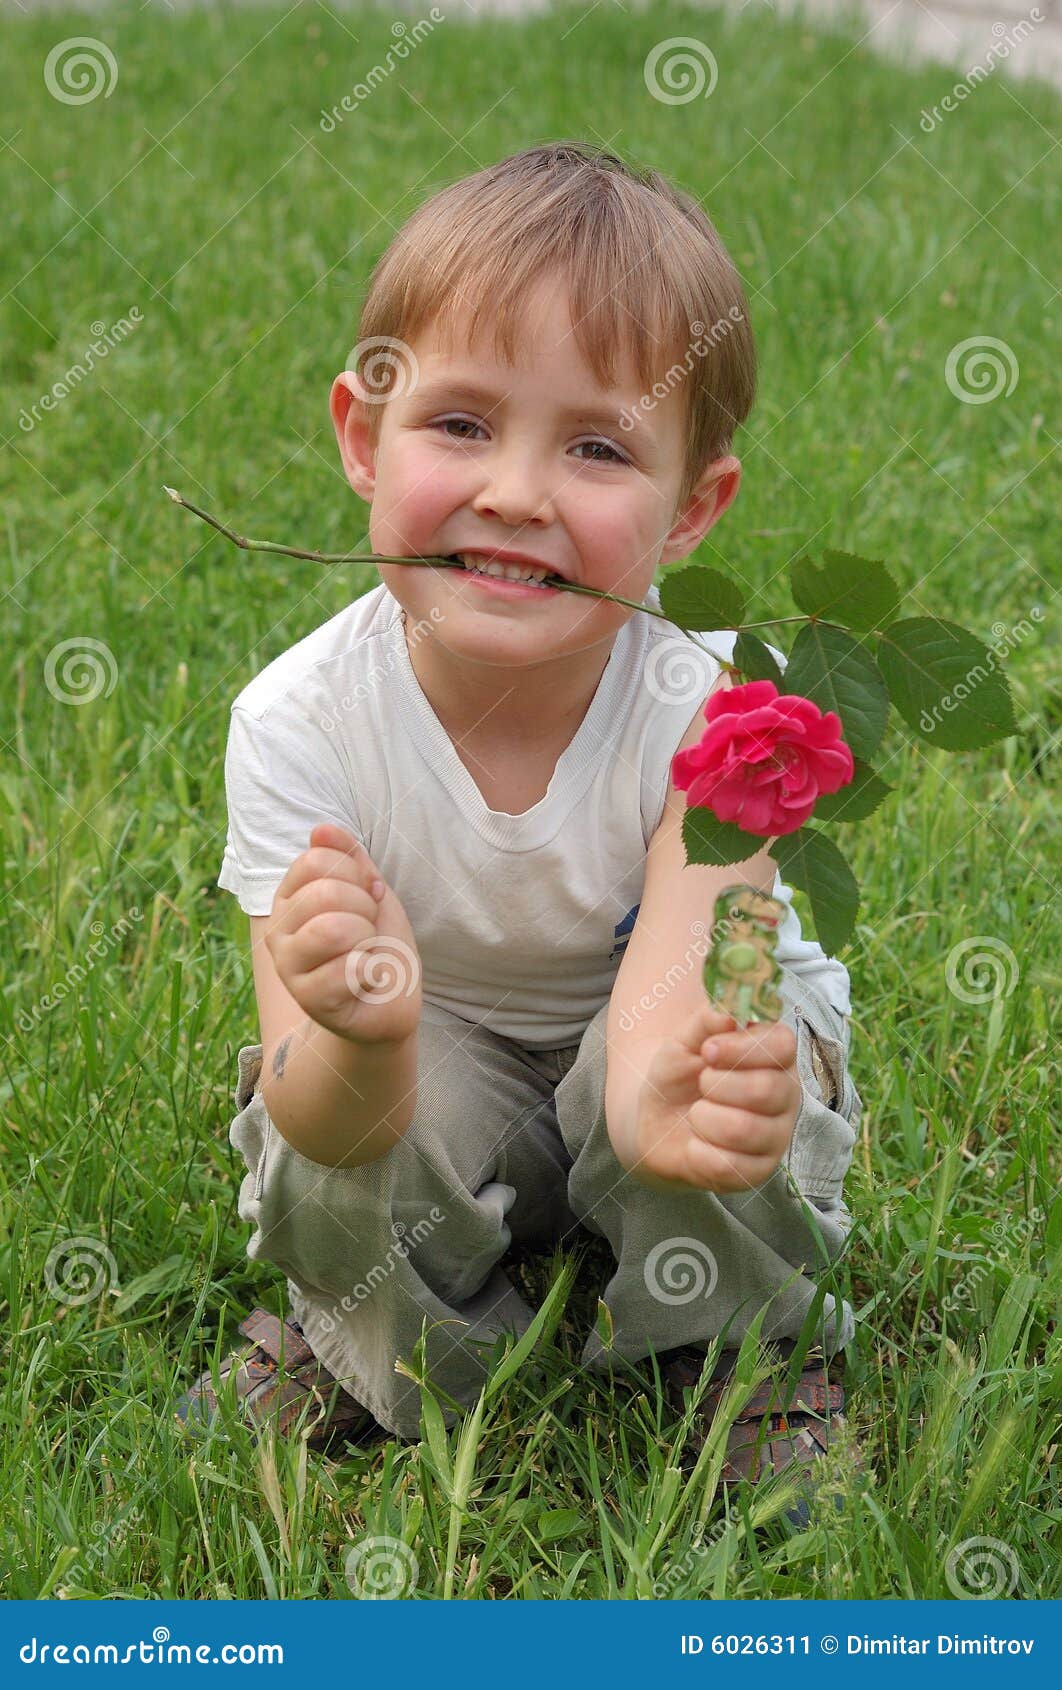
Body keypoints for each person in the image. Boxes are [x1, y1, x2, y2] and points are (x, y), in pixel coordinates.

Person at [177, 141, 864, 1519]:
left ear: (695, 505)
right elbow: (314, 1102)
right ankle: (382, 1349)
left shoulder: (720, 702)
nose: (517, 493)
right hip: (448, 1053)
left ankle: (732, 1345)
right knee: (350, 1126)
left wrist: (674, 1089)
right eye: (461, 426)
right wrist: (361, 1041)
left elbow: (696, 967)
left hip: (647, 1016)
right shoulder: (300, 722)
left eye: (599, 447)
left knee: (729, 1054)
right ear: (365, 438)